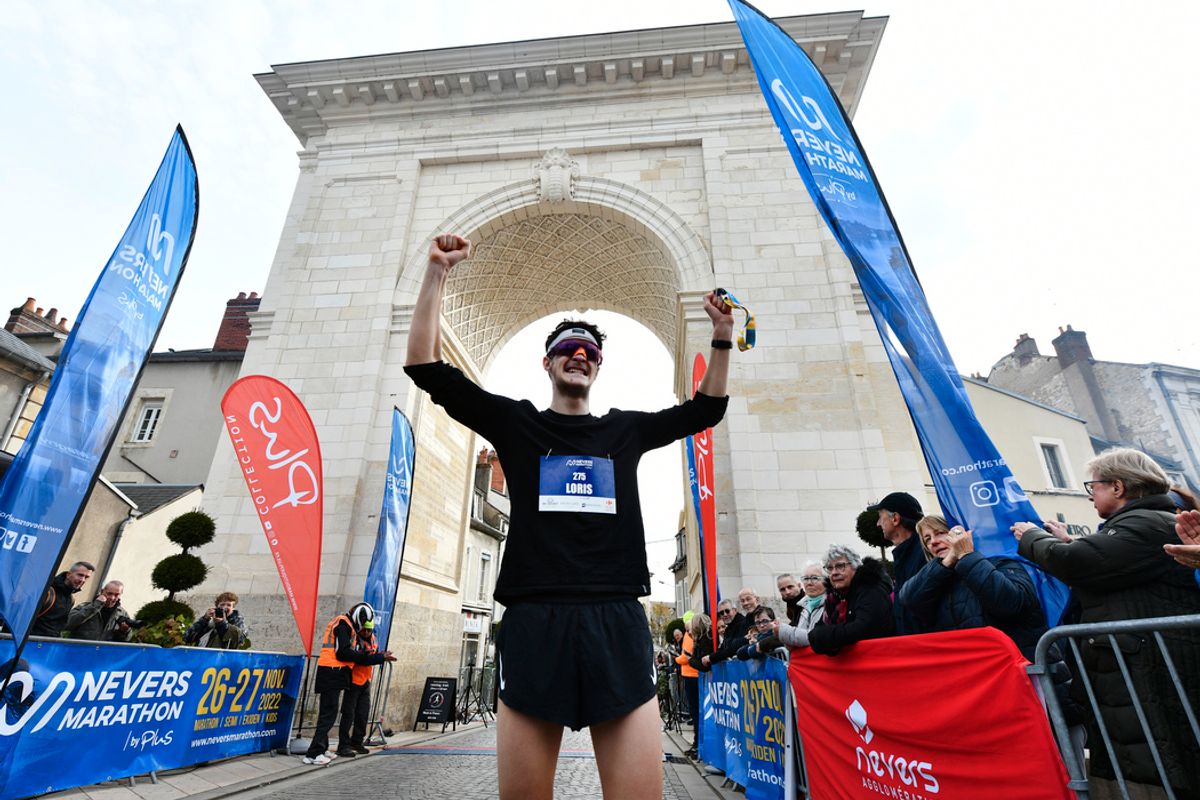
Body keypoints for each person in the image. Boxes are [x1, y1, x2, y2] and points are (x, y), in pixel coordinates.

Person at [404, 233, 734, 800]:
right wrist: (436, 273)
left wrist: (722, 339)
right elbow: (425, 366)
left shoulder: (624, 429)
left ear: (598, 367)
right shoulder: (515, 423)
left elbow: (707, 409)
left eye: (590, 351)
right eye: (567, 347)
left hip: (616, 620)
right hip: (536, 621)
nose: (580, 353)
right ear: (548, 361)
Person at [1013, 447, 1200, 798]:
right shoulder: (1141, 524)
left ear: (1118, 487)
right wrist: (1069, 542)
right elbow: (1103, 558)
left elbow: (1081, 563)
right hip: (1133, 671)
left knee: (1160, 773)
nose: (1089, 495)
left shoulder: (1147, 524)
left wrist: (1032, 537)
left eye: (1093, 486)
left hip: (1148, 671)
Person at [900, 516, 1046, 656]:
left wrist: (966, 556)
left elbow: (1012, 603)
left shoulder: (1000, 562)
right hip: (975, 673)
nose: (933, 542)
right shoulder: (936, 582)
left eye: (940, 533)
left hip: (1021, 668)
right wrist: (948, 560)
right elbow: (909, 598)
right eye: (927, 539)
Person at [304, 603, 396, 765]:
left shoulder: (346, 625)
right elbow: (343, 652)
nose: (363, 629)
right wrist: (363, 656)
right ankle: (313, 753)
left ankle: (322, 748)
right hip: (331, 672)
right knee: (328, 716)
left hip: (335, 673)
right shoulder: (343, 624)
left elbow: (346, 652)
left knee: (330, 715)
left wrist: (370, 656)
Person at [806, 544, 895, 655]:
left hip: (879, 660)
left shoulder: (871, 589)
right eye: (829, 568)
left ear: (855, 566)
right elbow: (816, 632)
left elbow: (864, 629)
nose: (834, 572)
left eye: (840, 566)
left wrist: (826, 638)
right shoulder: (833, 597)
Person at [866, 492, 926, 634]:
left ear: (895, 519)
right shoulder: (905, 553)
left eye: (880, 517)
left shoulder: (924, 553)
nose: (878, 523)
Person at [30, 561, 93, 638]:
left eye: (86, 577)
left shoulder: (70, 598)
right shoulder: (47, 592)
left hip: (48, 646)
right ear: (68, 574)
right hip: (30, 644)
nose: (83, 580)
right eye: (80, 575)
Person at [680, 613, 713, 760]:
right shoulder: (698, 639)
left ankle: (700, 745)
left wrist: (689, 659)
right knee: (696, 713)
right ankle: (698, 744)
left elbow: (702, 663)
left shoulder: (704, 640)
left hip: (697, 677)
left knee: (699, 712)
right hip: (696, 677)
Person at [64, 580, 133, 642]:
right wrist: (94, 606)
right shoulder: (85, 606)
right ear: (102, 591)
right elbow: (67, 624)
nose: (112, 598)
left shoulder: (122, 613)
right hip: (79, 652)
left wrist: (124, 632)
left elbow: (126, 640)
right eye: (109, 594)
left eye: (116, 595)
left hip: (102, 654)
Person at [706, 592, 755, 667]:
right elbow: (724, 648)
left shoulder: (743, 623)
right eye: (721, 613)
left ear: (734, 610)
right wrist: (710, 657)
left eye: (727, 611)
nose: (725, 614)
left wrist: (711, 657)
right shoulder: (728, 628)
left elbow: (732, 648)